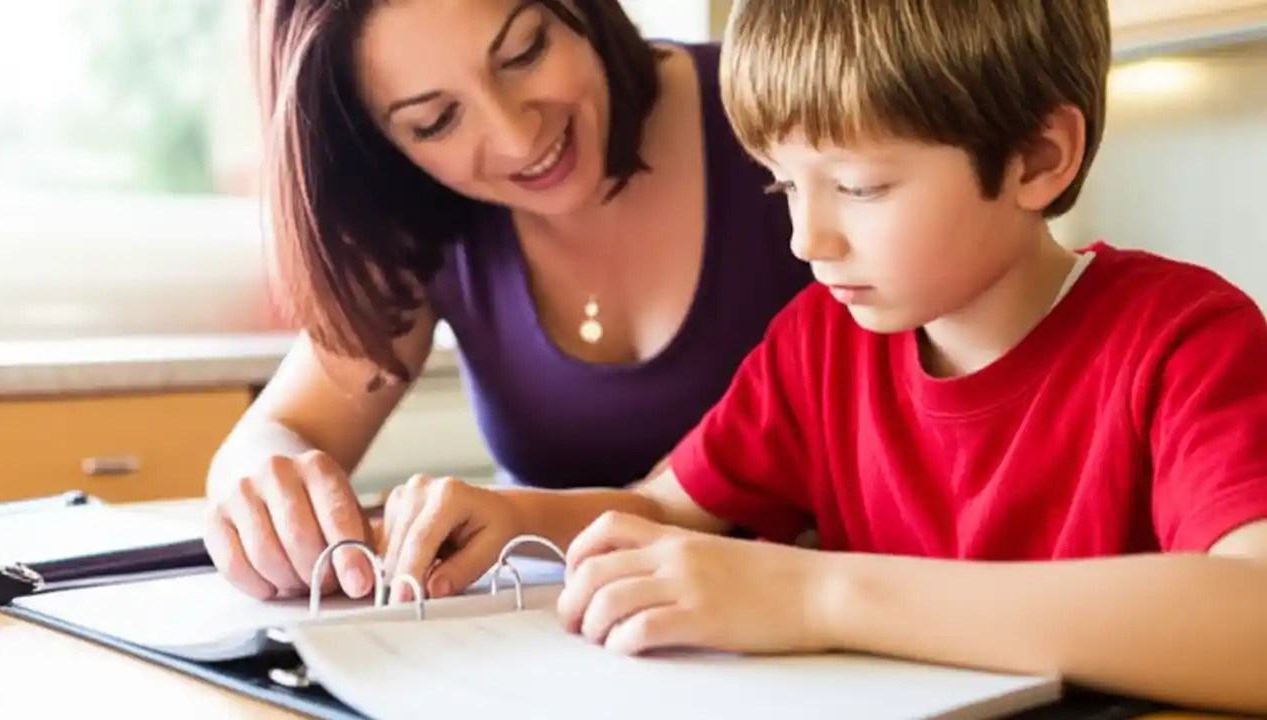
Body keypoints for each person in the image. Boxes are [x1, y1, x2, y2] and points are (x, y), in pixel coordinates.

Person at [375, 0, 1267, 713]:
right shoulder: (818, 346)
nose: (809, 237)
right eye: (782, 184)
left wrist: (817, 597)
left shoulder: (1181, 339)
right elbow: (668, 508)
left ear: (1039, 157)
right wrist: (517, 517)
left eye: (858, 187)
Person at [203, 0, 811, 603]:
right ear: (379, 145)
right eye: (437, 121)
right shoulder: (414, 211)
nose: (518, 137)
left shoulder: (784, 110)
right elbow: (281, 431)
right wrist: (267, 490)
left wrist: (527, 519)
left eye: (525, 52)